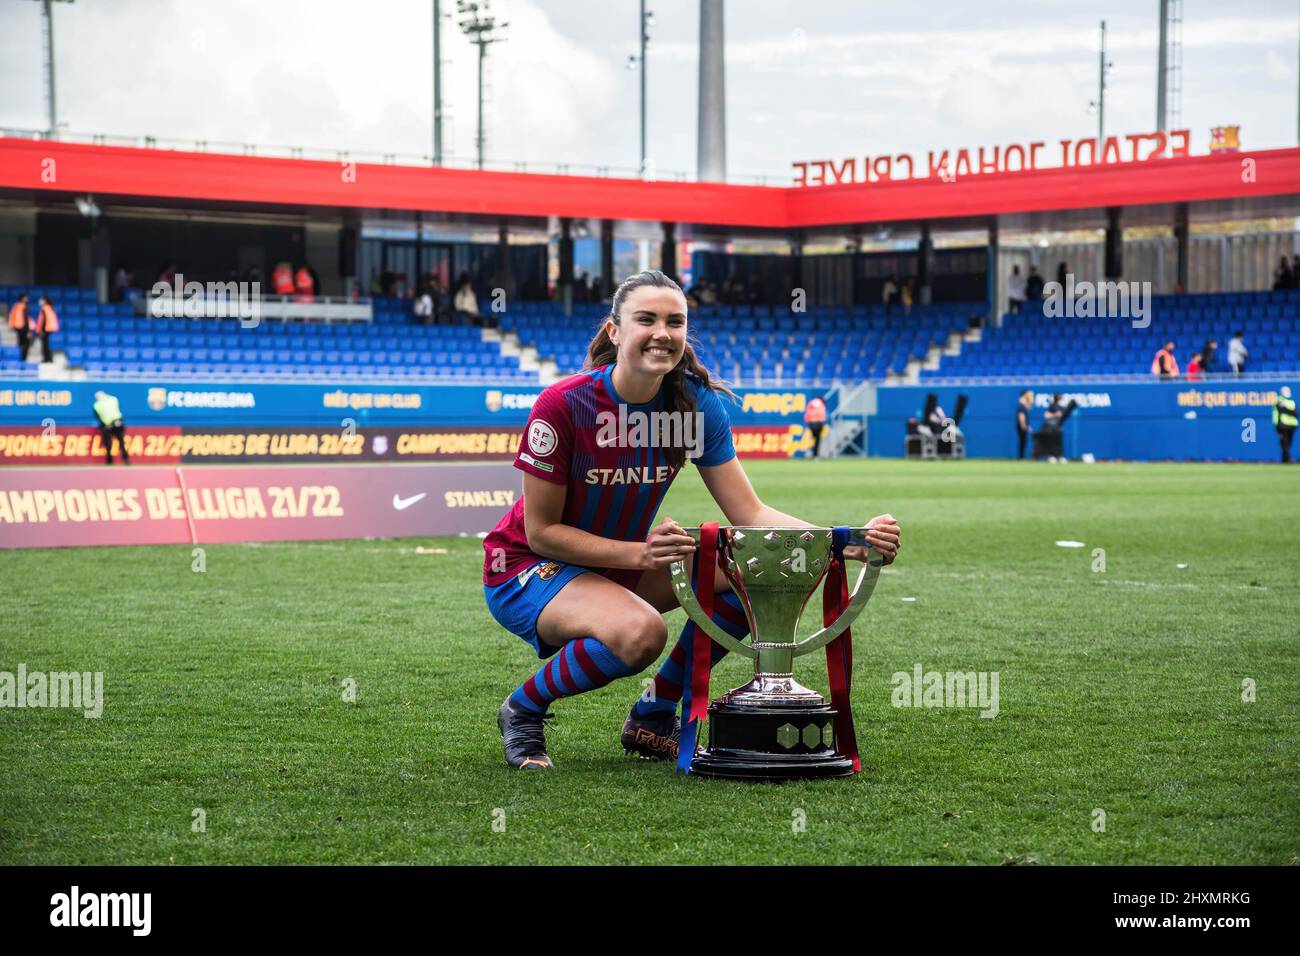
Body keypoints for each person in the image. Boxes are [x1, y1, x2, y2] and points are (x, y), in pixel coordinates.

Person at [481, 270, 901, 770]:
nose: (663, 332)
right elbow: (542, 533)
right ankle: (523, 708)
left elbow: (750, 515)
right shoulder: (564, 404)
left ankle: (655, 712)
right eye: (647, 320)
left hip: (620, 564)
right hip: (528, 567)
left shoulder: (695, 406)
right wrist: (639, 553)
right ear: (615, 331)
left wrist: (839, 542)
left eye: (675, 322)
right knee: (641, 634)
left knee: (758, 573)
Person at [93, 390, 130, 465]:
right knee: (121, 442)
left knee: (109, 444)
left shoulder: (96, 405)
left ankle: (110, 461)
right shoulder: (113, 399)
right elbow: (118, 410)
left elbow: (98, 417)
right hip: (117, 423)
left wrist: (106, 425)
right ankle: (125, 459)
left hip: (107, 425)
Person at [32, 296, 59, 363]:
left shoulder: (44, 308)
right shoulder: (50, 308)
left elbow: (43, 320)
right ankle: (49, 358)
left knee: (45, 345)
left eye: (42, 300)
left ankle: (47, 358)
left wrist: (41, 330)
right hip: (49, 328)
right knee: (46, 344)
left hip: (45, 328)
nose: (40, 301)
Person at [1275, 386, 1297, 463]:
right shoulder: (1280, 400)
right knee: (1284, 443)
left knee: (1288, 443)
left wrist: (1291, 411)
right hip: (1282, 425)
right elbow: (1283, 410)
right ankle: (1287, 459)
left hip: (1291, 425)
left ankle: (1285, 459)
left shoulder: (1291, 401)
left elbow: (1296, 413)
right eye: (1285, 391)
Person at [8, 293, 30, 360]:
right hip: (23, 327)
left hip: (17, 327)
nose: (27, 299)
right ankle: (23, 358)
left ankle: (21, 357)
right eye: (26, 298)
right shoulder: (23, 306)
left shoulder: (16, 305)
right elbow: (25, 319)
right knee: (25, 344)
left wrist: (12, 325)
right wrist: (28, 330)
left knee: (20, 343)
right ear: (22, 298)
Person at [1015, 389, 1033, 459]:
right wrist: (1024, 426)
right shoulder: (1021, 405)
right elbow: (1021, 416)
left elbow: (1028, 408)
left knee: (1023, 442)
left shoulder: (1022, 404)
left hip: (1021, 426)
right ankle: (1021, 457)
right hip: (1021, 426)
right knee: (1022, 442)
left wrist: (1030, 401)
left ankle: (1021, 456)